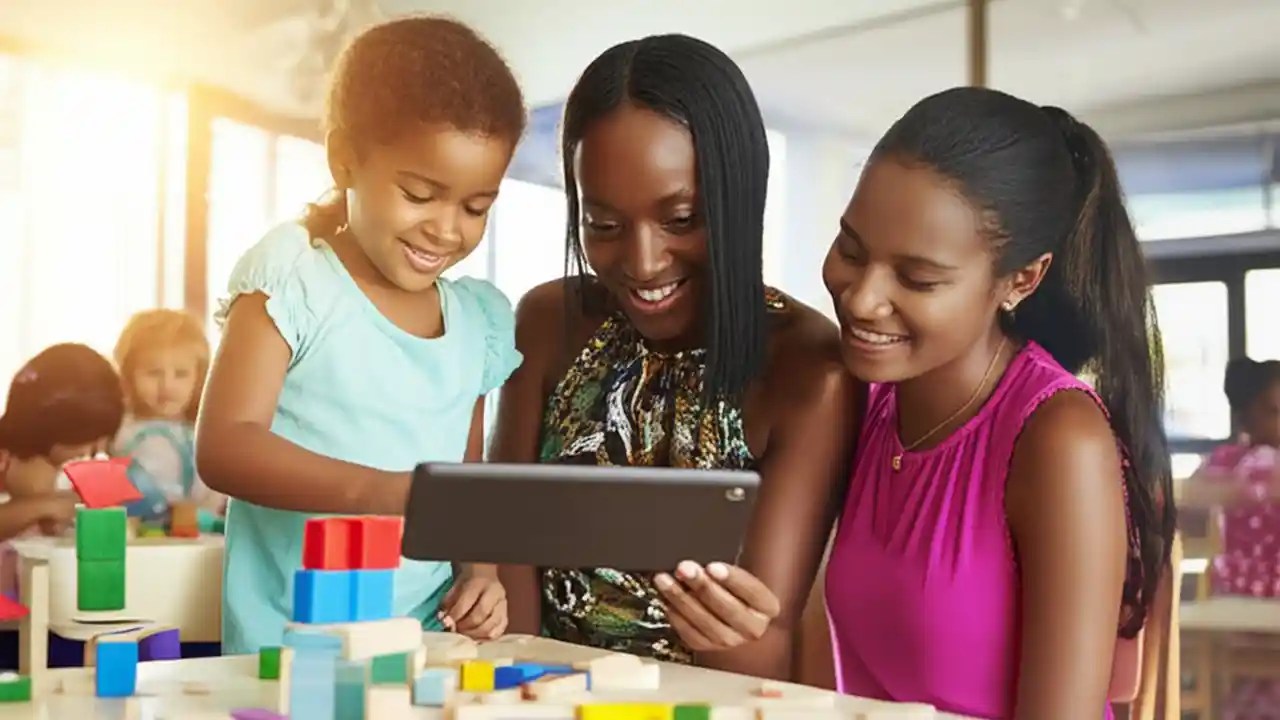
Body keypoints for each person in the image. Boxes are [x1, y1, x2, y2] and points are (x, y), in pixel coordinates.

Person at [490, 34, 858, 680]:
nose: (642, 262)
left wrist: (730, 622)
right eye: (603, 225)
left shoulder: (809, 369)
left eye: (682, 218)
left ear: (737, 198)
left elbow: (765, 650)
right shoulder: (548, 323)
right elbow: (506, 562)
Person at [816, 87, 1175, 718]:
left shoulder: (1058, 436)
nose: (861, 298)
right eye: (851, 249)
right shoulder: (862, 404)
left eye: (918, 278)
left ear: (1021, 279)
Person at [195, 16, 527, 655]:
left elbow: (463, 480)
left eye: (475, 207)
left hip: (425, 642)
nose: (446, 229)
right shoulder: (295, 281)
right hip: (291, 649)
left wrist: (480, 572)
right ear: (344, 159)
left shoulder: (476, 324)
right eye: (420, 194)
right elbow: (226, 448)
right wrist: (386, 493)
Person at [1183, 360, 1280, 720]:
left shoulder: (1227, 466)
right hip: (1235, 603)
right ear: (1246, 415)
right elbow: (1184, 514)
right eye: (1274, 411)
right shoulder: (1226, 463)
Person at [0, 343, 124, 598]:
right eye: (88, 438)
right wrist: (46, 505)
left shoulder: (60, 471)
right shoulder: (7, 458)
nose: (95, 449)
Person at [112, 309, 224, 525]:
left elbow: (215, 490)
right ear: (128, 374)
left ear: (199, 378)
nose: (167, 386)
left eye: (181, 374)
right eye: (153, 373)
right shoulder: (121, 428)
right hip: (138, 539)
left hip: (199, 538)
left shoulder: (202, 433)